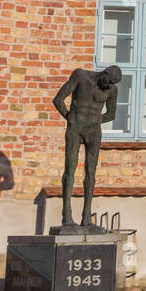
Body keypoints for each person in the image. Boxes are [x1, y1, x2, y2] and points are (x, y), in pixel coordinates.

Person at [52, 66, 122, 230]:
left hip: (93, 132)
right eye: (108, 81)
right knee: (70, 169)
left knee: (91, 173)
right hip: (75, 129)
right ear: (104, 73)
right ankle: (67, 215)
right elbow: (58, 99)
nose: (108, 86)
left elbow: (111, 114)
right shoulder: (81, 76)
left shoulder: (112, 90)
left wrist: (95, 120)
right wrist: (70, 118)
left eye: (112, 84)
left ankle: (87, 217)